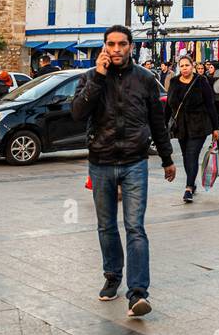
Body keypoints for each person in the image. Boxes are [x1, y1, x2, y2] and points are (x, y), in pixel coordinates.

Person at [71, 24, 175, 318]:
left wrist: (167, 158)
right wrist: (98, 78)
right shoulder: (90, 78)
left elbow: (158, 122)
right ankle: (112, 275)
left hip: (134, 162)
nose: (116, 49)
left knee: (135, 227)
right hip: (101, 162)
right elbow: (78, 113)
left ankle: (138, 294)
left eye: (122, 44)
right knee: (106, 226)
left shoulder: (145, 79)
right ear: (104, 47)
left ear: (131, 46)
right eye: (111, 44)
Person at [165, 55, 219, 203]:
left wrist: (216, 127)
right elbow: (168, 106)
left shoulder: (201, 81)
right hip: (181, 125)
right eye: (181, 66)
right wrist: (164, 126)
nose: (184, 68)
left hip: (199, 124)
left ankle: (188, 187)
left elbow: (210, 105)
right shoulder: (174, 82)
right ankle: (192, 182)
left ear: (192, 66)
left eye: (187, 65)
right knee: (185, 155)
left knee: (192, 154)